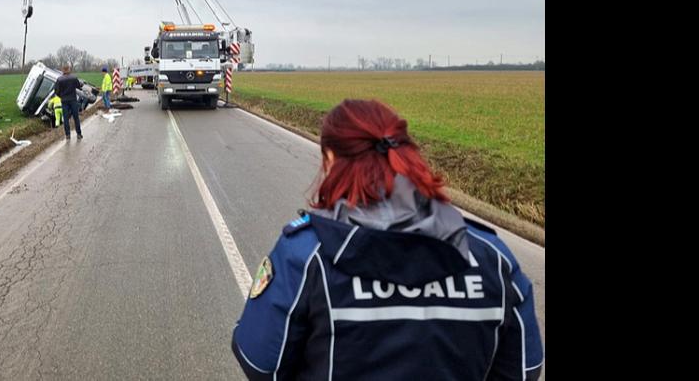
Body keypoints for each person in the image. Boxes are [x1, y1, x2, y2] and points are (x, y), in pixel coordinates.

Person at [231, 99, 543, 380]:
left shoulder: (307, 253)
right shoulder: (492, 255)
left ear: (330, 159)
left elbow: (262, 365)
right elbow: (524, 369)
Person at [54, 64, 83, 140]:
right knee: (76, 117)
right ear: (69, 69)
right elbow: (79, 86)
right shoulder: (74, 78)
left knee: (66, 119)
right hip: (73, 100)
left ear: (63, 70)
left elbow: (56, 91)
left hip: (64, 101)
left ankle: (68, 135)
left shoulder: (59, 79)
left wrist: (61, 96)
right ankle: (79, 134)